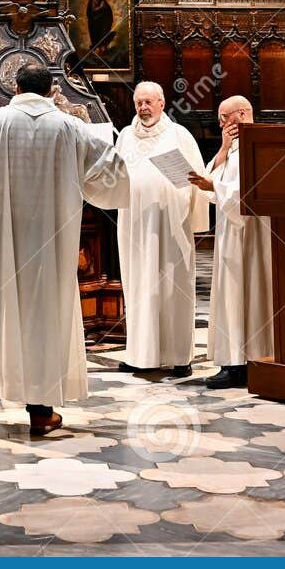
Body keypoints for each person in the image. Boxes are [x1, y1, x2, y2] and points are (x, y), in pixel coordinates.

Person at [0, 63, 126, 435]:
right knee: (44, 315)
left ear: (15, 87)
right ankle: (41, 411)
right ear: (51, 91)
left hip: (0, 237)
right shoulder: (68, 125)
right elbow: (110, 170)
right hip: (51, 239)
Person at [112, 81, 208, 377]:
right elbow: (115, 176)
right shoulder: (125, 136)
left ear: (162, 104)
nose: (143, 108)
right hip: (134, 225)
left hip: (171, 226)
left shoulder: (179, 136)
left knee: (173, 288)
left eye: (149, 102)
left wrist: (196, 224)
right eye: (139, 102)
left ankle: (180, 356)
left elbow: (199, 182)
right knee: (139, 287)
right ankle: (141, 355)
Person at [194, 95, 274, 390]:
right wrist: (224, 148)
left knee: (249, 295)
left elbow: (248, 193)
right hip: (230, 234)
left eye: (224, 117)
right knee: (230, 296)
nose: (220, 124)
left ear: (242, 114)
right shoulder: (235, 148)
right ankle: (233, 361)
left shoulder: (262, 144)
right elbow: (210, 178)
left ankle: (249, 361)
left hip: (251, 235)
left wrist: (213, 185)